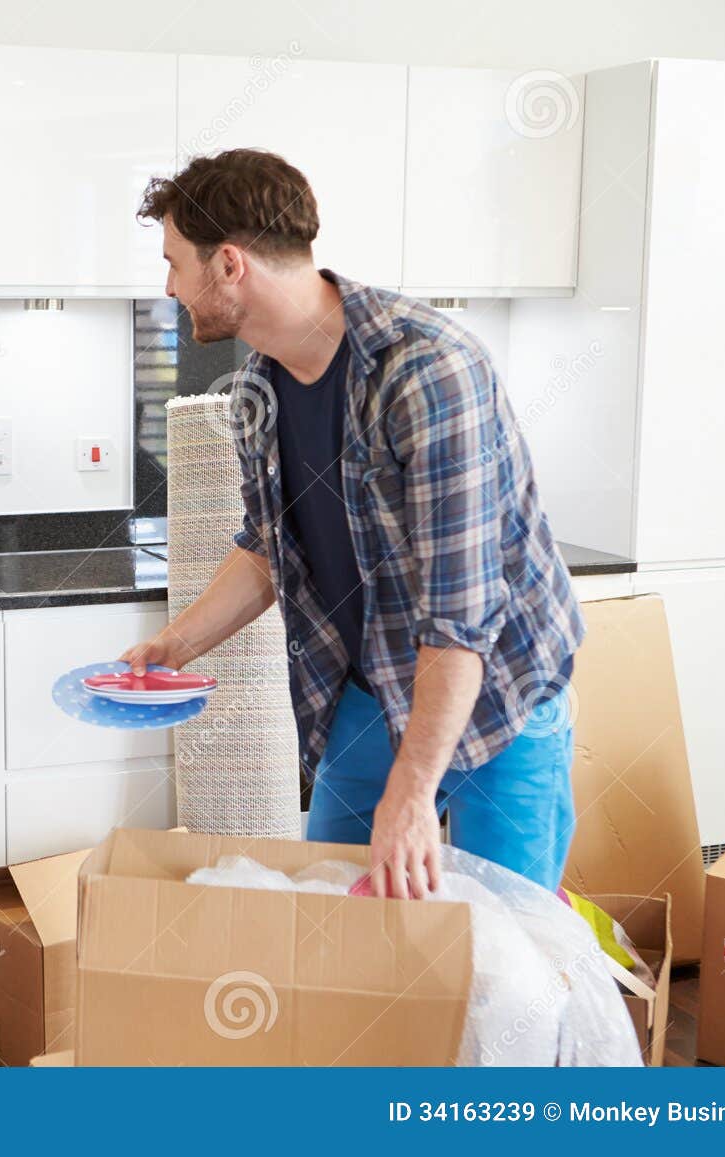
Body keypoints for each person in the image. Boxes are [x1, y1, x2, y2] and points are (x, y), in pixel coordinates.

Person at [120, 149, 585, 898]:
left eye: (174, 263)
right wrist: (172, 647)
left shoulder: (426, 370)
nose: (169, 286)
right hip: (371, 690)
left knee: (507, 934)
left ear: (230, 264)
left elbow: (462, 614)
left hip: (498, 692)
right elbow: (268, 549)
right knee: (335, 914)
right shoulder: (258, 388)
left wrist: (412, 791)